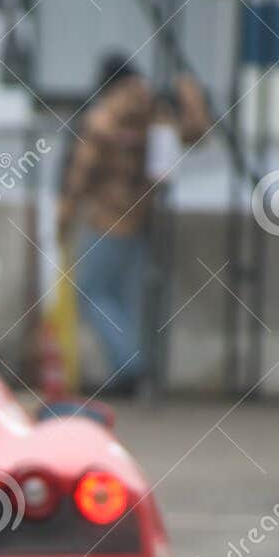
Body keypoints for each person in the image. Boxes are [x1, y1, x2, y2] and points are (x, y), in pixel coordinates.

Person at [57, 54, 209, 394]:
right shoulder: (157, 112)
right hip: (142, 219)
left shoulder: (104, 117)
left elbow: (80, 174)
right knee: (129, 301)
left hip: (105, 220)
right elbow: (198, 132)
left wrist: (64, 217)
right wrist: (189, 89)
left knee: (92, 294)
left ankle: (130, 367)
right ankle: (134, 371)